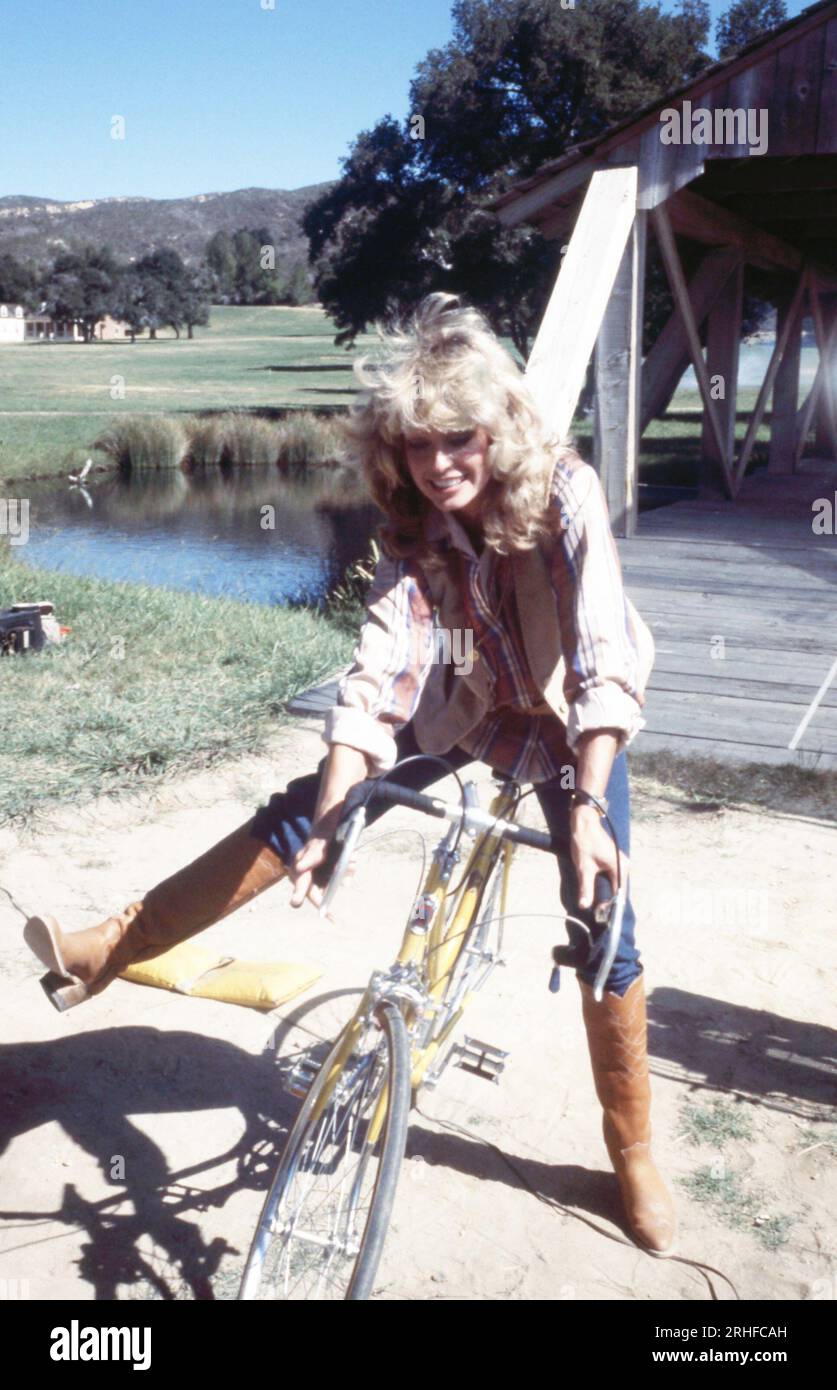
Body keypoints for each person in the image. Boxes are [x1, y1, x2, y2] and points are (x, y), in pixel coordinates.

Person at [24, 293, 675, 1255]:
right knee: (308, 810)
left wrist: (586, 803)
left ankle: (631, 1151)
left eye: (460, 439)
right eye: (419, 445)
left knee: (602, 907)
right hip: (468, 704)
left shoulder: (564, 492)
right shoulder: (408, 519)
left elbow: (601, 652)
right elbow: (379, 671)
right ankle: (113, 945)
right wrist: (337, 810)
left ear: (496, 431)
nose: (441, 464)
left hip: (572, 719)